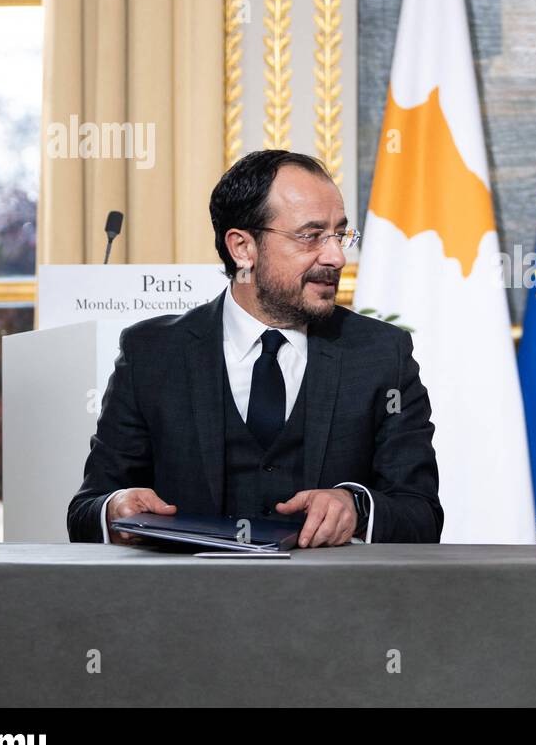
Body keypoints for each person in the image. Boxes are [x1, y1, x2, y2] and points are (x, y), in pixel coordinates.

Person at [68, 149, 442, 546]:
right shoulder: (152, 354)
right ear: (243, 248)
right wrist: (115, 508)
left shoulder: (383, 354)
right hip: (188, 603)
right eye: (311, 236)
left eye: (340, 234)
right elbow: (85, 511)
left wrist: (356, 506)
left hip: (331, 604)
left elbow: (421, 516)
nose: (337, 256)